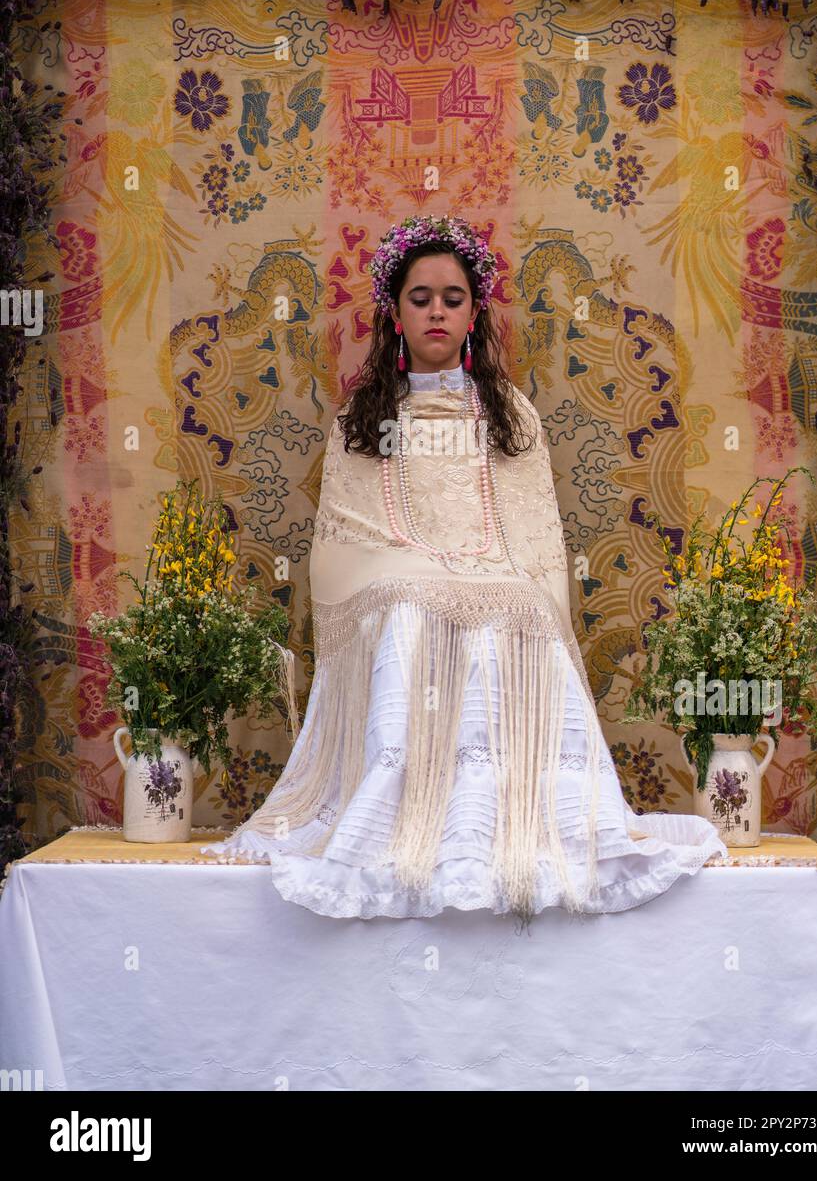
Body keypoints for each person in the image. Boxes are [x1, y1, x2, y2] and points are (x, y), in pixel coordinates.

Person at [201, 214, 726, 927]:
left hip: (492, 575)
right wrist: (424, 569)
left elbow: (533, 532)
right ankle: (400, 813)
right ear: (394, 314)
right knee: (414, 607)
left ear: (474, 312)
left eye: (452, 297)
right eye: (420, 298)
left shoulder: (510, 413)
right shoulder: (364, 414)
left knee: (513, 611)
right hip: (397, 584)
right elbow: (348, 535)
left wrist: (490, 578)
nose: (437, 311)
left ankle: (496, 820)